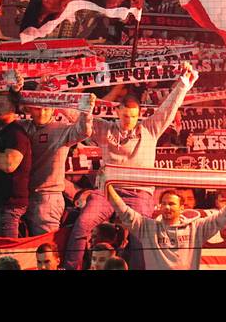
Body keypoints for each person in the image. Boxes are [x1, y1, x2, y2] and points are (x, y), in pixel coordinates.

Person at [63, 65, 196, 270]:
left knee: (141, 238)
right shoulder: (104, 128)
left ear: (139, 115)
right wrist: (73, 104)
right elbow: (72, 115)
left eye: (134, 117)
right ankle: (71, 268)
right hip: (108, 192)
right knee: (82, 225)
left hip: (138, 194)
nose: (129, 121)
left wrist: (183, 84)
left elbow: (168, 109)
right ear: (117, 111)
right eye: (125, 116)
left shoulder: (149, 129)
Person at [106, 183, 226, 271]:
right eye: (164, 203)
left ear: (181, 207)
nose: (167, 207)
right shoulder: (148, 228)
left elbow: (223, 217)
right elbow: (123, 211)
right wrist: (108, 185)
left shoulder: (196, 228)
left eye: (172, 204)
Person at [21, 92, 92, 235]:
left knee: (45, 247)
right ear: (28, 108)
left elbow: (84, 131)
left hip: (48, 198)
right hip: (21, 198)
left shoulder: (61, 129)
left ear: (53, 108)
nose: (42, 113)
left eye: (46, 108)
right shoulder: (21, 126)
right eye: (37, 108)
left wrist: (85, 112)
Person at [0, 89, 32, 238]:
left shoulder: (16, 134)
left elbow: (9, 165)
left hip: (6, 206)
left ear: (12, 108)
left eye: (1, 105)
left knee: (4, 252)